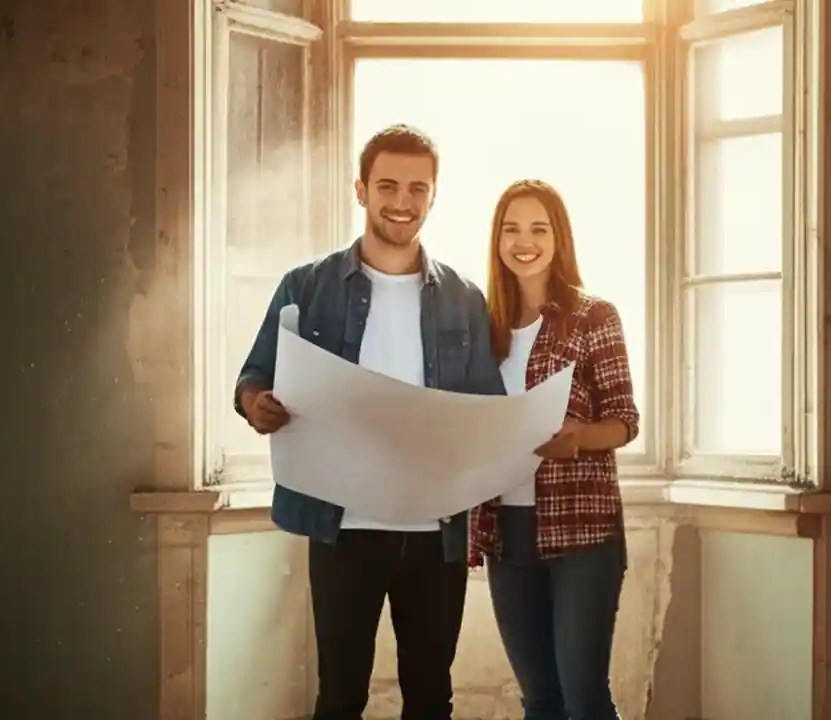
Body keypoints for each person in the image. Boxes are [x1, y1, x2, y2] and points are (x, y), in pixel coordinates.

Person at [234, 124, 505, 720]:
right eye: (387, 185)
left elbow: (487, 410)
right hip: (342, 529)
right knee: (339, 698)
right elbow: (253, 377)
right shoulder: (306, 286)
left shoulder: (464, 299)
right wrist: (257, 405)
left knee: (432, 697)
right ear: (361, 189)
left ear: (434, 196)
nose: (402, 202)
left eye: (417, 188)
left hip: (437, 535)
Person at [469, 179, 640, 720]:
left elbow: (625, 420)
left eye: (538, 228)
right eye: (511, 228)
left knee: (583, 697)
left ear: (558, 237)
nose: (525, 241)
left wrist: (579, 438)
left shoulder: (594, 317)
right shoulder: (483, 326)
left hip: (582, 530)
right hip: (506, 531)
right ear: (497, 239)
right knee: (540, 698)